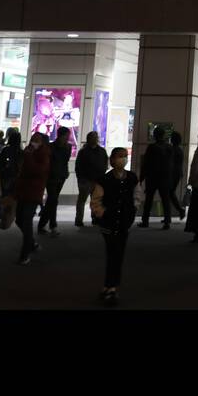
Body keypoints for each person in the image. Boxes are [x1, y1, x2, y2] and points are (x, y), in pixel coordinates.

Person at [90, 147, 137, 305]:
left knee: (118, 254)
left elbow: (138, 196)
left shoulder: (132, 178)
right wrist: (102, 214)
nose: (122, 159)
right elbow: (96, 201)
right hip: (108, 223)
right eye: (119, 156)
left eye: (125, 156)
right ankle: (111, 287)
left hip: (124, 222)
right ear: (112, 160)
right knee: (113, 254)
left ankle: (109, 286)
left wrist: (131, 212)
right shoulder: (104, 180)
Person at [13, 131, 51, 266]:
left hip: (33, 193)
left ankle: (25, 254)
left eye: (36, 140)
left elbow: (38, 171)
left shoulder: (43, 154)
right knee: (19, 219)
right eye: (32, 139)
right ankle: (31, 243)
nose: (33, 142)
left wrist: (28, 157)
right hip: (23, 191)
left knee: (26, 220)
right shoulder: (28, 152)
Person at [38, 126, 72, 235]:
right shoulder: (51, 147)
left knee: (52, 200)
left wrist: (66, 173)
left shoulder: (68, 147)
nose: (68, 138)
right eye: (66, 136)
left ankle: (43, 225)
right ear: (60, 135)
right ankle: (52, 225)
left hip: (61, 176)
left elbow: (65, 162)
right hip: (51, 177)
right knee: (53, 200)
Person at [139, 125, 174, 229]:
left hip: (152, 177)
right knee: (165, 200)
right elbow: (172, 164)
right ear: (164, 135)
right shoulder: (169, 147)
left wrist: (142, 177)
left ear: (154, 135)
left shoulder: (152, 147)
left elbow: (146, 163)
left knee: (149, 199)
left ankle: (145, 221)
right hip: (165, 177)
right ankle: (167, 221)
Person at [74, 131, 108, 228]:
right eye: (93, 137)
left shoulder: (102, 151)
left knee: (96, 200)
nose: (96, 139)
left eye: (96, 137)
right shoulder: (83, 152)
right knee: (82, 200)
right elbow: (78, 166)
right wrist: (80, 178)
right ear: (89, 139)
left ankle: (95, 218)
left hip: (98, 180)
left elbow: (105, 163)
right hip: (85, 180)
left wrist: (102, 176)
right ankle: (79, 220)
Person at [0, 128, 23, 219]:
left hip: (5, 175)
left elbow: (0, 162)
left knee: (4, 193)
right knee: (14, 194)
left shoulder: (5, 149)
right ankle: (12, 212)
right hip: (17, 175)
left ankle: (2, 212)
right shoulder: (21, 152)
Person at [168, 130, 187, 218]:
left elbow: (171, 163)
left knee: (170, 193)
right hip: (177, 173)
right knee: (170, 193)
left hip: (172, 174)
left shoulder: (173, 150)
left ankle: (179, 210)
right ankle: (178, 211)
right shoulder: (179, 150)